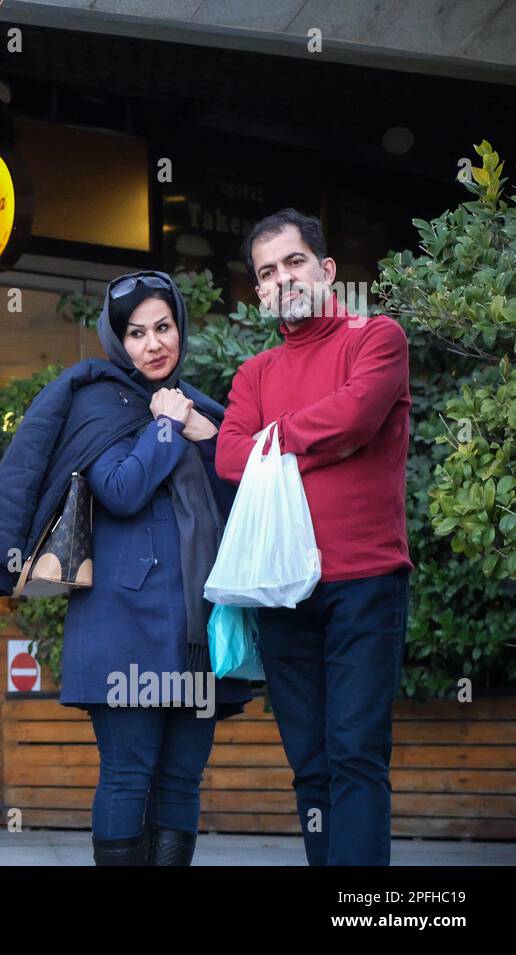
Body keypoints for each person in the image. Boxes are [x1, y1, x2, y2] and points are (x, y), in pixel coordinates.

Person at [0, 271, 252, 866]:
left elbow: (243, 501)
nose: (153, 344)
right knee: (128, 774)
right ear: (114, 339)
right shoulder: (97, 403)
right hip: (124, 624)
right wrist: (168, 426)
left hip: (198, 627)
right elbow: (122, 489)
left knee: (182, 780)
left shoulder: (200, 411)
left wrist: (207, 434)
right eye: (136, 332)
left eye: (164, 327)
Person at [216, 209, 412, 866]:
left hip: (365, 580)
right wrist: (316, 441)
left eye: (294, 262)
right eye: (267, 272)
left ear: (325, 270)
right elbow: (230, 458)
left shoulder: (376, 338)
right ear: (261, 291)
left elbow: (357, 416)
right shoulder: (254, 375)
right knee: (311, 763)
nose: (282, 278)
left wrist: (279, 440)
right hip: (281, 589)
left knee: (356, 754)